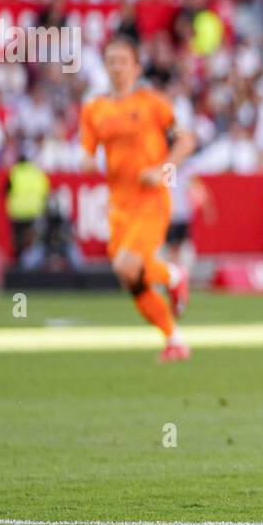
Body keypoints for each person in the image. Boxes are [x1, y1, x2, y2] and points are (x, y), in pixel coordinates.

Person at [79, 36, 197, 361]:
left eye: (122, 60)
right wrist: (86, 161)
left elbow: (186, 140)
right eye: (111, 60)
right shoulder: (94, 110)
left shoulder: (153, 103)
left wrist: (163, 168)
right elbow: (87, 151)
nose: (116, 67)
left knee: (127, 264)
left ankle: (174, 275)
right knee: (131, 279)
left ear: (136, 66)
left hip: (151, 199)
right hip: (119, 205)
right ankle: (175, 340)